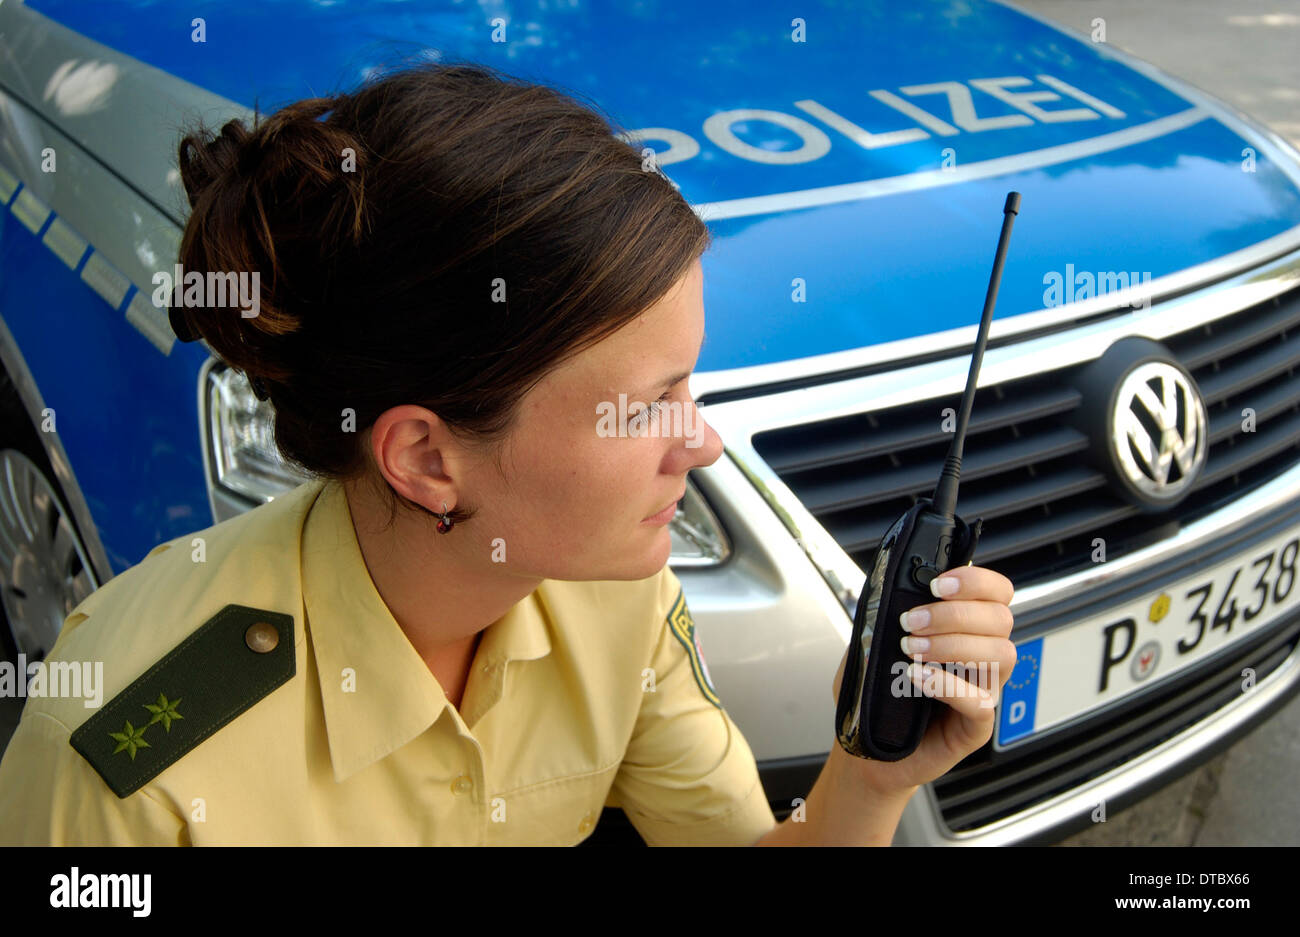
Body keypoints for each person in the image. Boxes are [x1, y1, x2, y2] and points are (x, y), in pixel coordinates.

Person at [0, 60, 1015, 846]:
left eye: (689, 388)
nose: (699, 441)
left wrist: (872, 772)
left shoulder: (614, 600)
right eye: (648, 406)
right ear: (427, 460)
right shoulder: (130, 751)